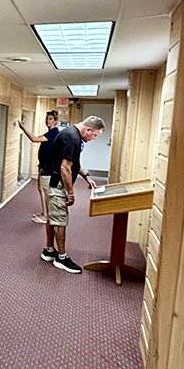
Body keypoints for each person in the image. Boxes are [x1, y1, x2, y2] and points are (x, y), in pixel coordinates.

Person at [42, 116, 105, 273]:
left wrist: (86, 176)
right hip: (56, 182)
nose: (94, 138)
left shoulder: (71, 133)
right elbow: (65, 168)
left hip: (50, 177)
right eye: (95, 135)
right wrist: (70, 192)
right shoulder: (73, 139)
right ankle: (61, 258)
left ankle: (49, 250)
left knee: (52, 217)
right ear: (88, 130)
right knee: (60, 219)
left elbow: (73, 162)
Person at [18, 110, 59, 223]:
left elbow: (34, 139)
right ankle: (45, 212)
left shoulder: (53, 133)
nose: (48, 121)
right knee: (41, 189)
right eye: (47, 119)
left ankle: (46, 216)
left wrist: (23, 128)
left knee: (43, 190)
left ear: (55, 121)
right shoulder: (51, 132)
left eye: (50, 119)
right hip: (44, 164)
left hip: (47, 166)